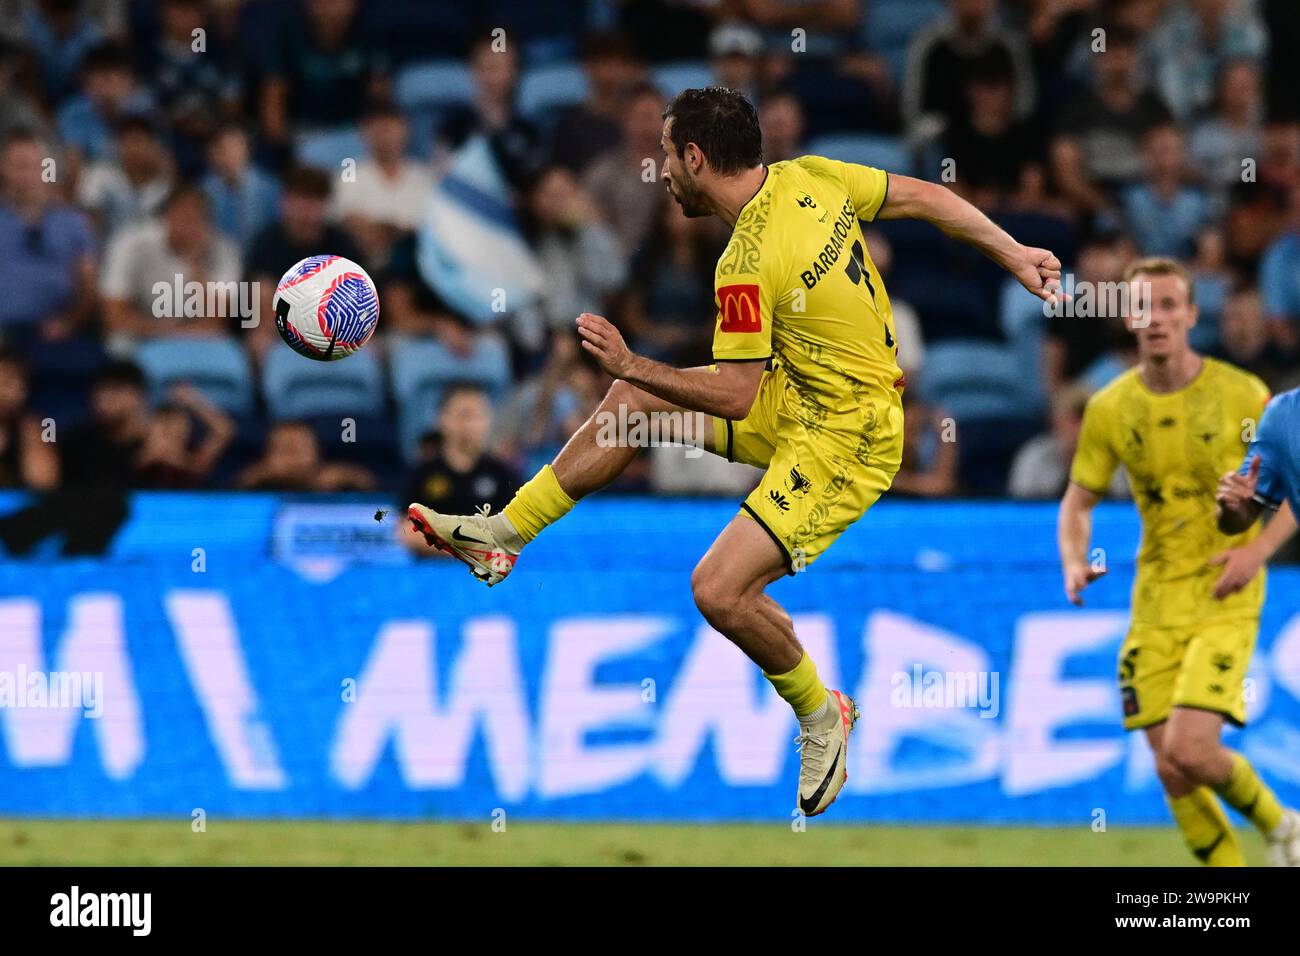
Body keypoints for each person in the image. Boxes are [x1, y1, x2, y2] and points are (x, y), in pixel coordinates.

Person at [409, 87, 1063, 817]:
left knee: (718, 590)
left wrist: (631, 362)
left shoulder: (745, 262)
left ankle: (822, 715)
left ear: (694, 157)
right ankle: (504, 537)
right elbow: (918, 196)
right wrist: (1011, 251)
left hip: (848, 437)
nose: (662, 170)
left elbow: (733, 397)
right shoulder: (810, 175)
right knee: (631, 413)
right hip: (802, 395)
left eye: (666, 155)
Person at [1057, 256, 1299, 867]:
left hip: (1225, 587)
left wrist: (1255, 546)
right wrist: (1073, 559)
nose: (1157, 318)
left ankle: (1282, 826)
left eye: (1169, 305)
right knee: (1171, 768)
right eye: (1144, 306)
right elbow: (1076, 501)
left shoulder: (1243, 395)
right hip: (1156, 598)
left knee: (1192, 750)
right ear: (1129, 318)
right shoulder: (1111, 408)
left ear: (1191, 315)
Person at [401, 383, 518, 556]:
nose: (473, 424)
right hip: (430, 574)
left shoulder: (502, 474)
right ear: (442, 419)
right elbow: (406, 532)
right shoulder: (422, 473)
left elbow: (507, 534)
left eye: (480, 416)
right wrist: (463, 550)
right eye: (465, 415)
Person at [235, 420, 375, 492]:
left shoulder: (337, 479)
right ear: (267, 454)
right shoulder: (256, 481)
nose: (292, 459)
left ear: (318, 453)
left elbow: (366, 483)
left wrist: (347, 475)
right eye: (285, 450)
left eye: (299, 449)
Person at [0, 345, 58, 489]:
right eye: (7, 382)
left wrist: (33, 438)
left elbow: (45, 482)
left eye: (21, 384)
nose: (15, 392)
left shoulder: (46, 424)